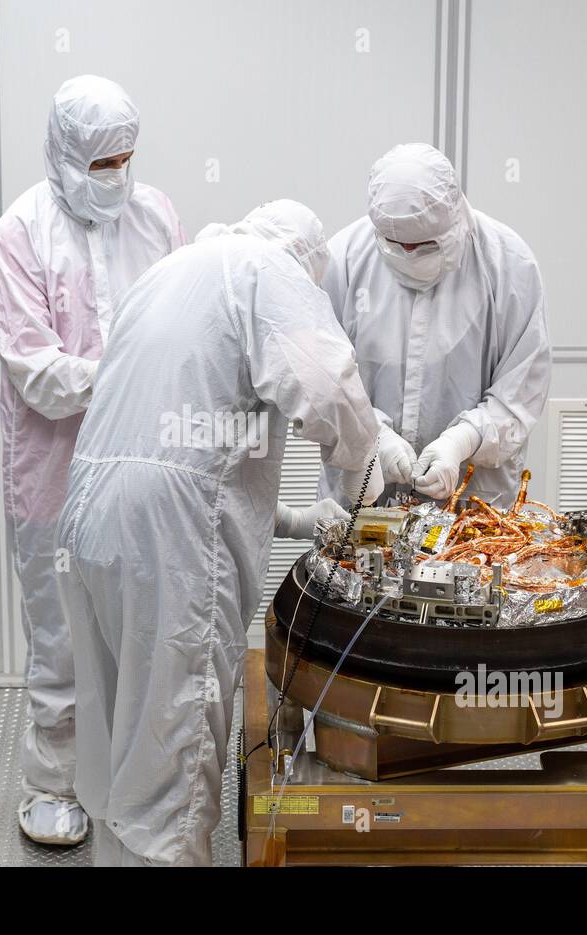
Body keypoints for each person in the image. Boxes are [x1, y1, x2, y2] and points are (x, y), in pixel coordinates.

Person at [56, 200, 382, 866]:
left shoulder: (173, 271)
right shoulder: (270, 270)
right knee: (173, 747)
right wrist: (366, 475)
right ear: (307, 264)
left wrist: (294, 519)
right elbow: (329, 391)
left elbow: (187, 452)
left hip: (94, 512)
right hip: (167, 541)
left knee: (122, 728)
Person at [0, 75, 185, 846]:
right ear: (64, 154)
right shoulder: (19, 235)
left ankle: (135, 786)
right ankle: (52, 785)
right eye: (102, 163)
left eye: (125, 159)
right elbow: (35, 370)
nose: (117, 176)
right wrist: (129, 376)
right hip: (55, 474)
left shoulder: (157, 217)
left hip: (145, 468)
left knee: (143, 629)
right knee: (63, 638)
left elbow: (183, 322)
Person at [319, 143, 551, 508]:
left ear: (454, 215)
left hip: (471, 500)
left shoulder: (509, 264)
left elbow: (521, 389)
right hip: (364, 499)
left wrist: (462, 441)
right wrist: (371, 435)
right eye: (397, 244)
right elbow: (324, 381)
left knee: (468, 546)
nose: (409, 254)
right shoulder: (343, 258)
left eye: (424, 245)